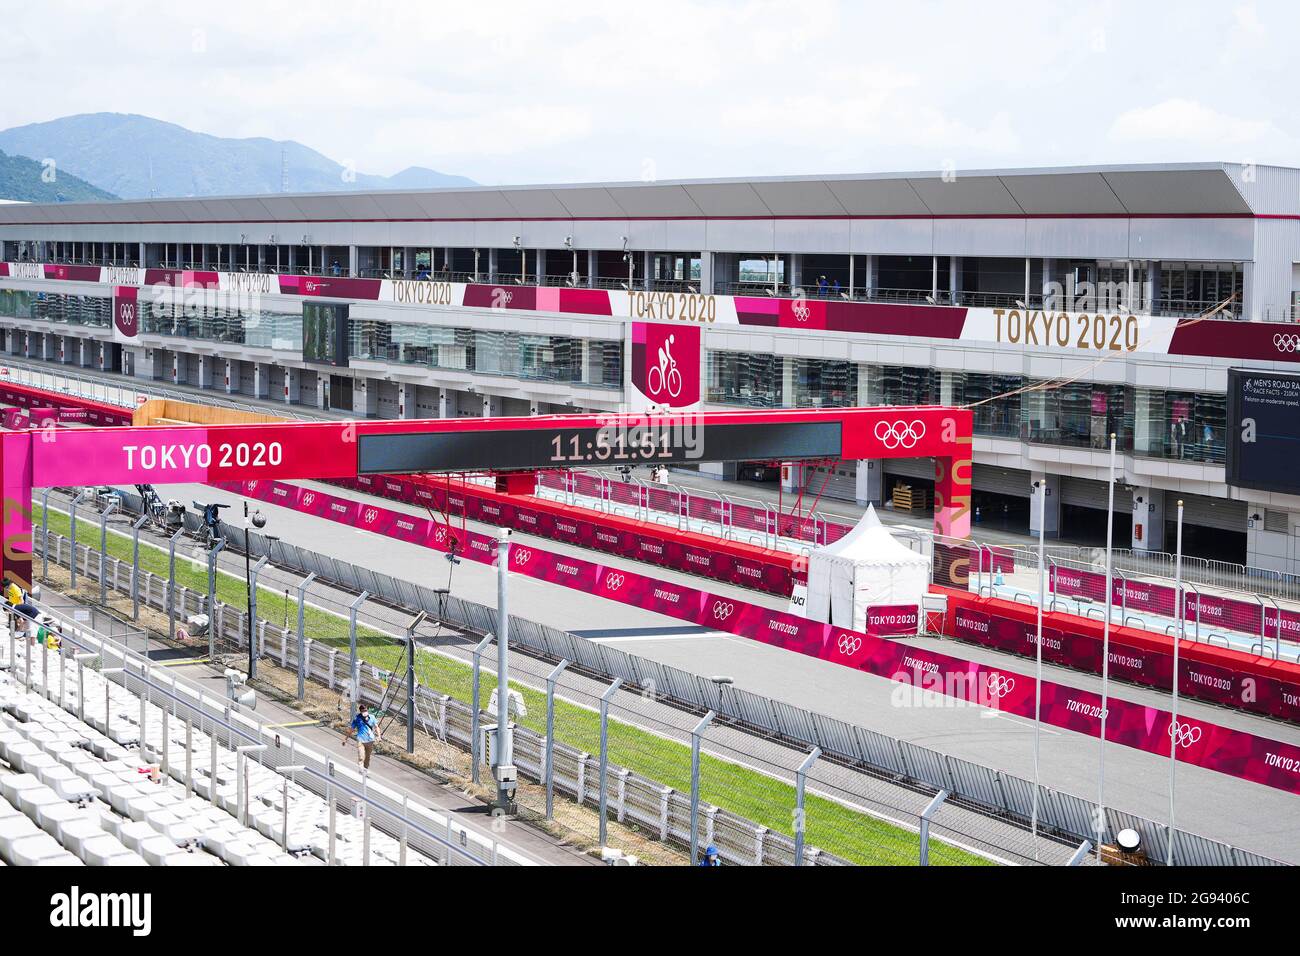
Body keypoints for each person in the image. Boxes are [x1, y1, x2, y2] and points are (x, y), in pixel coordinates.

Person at [348, 703, 378, 772]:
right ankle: (361, 768)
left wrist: (379, 736)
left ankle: (365, 769)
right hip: (360, 740)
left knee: (367, 757)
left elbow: (376, 727)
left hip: (370, 741)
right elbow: (352, 729)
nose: (365, 712)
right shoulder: (357, 718)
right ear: (361, 711)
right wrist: (346, 738)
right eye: (363, 711)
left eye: (366, 710)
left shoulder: (372, 717)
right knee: (361, 756)